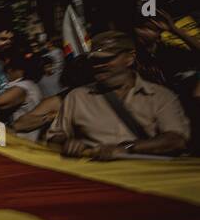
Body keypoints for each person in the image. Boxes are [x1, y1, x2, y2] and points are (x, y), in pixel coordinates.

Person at [49, 31, 190, 160]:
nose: (99, 66)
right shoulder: (77, 97)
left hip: (146, 178)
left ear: (130, 58)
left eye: (106, 59)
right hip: (96, 179)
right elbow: (55, 136)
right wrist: (66, 142)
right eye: (94, 61)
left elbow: (176, 140)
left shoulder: (161, 96)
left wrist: (127, 148)